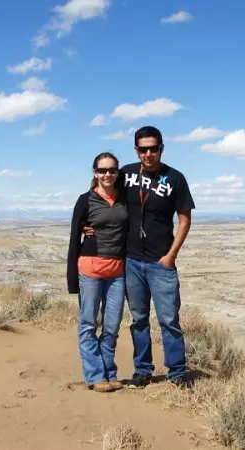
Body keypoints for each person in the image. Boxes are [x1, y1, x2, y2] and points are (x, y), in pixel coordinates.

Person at [85, 126, 195, 388]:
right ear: (136, 150)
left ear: (161, 149)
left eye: (153, 149)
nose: (148, 154)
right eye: (143, 149)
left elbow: (185, 219)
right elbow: (102, 191)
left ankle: (177, 372)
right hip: (132, 261)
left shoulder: (175, 178)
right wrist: (87, 223)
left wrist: (171, 255)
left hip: (161, 263)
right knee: (139, 319)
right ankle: (143, 370)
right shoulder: (126, 174)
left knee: (169, 320)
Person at [66, 152, 128, 393]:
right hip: (89, 269)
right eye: (102, 170)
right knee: (89, 324)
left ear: (117, 172)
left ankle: (110, 372)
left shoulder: (124, 199)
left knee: (112, 325)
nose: (107, 174)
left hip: (117, 271)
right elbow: (74, 239)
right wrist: (72, 280)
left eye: (112, 169)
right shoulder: (85, 200)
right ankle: (94, 375)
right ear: (94, 172)